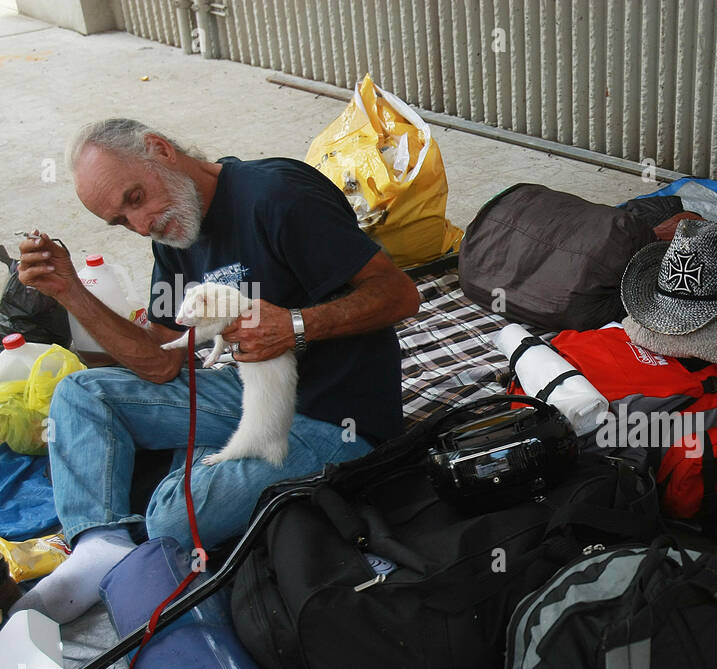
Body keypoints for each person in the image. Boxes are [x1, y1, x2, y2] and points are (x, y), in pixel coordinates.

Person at [13, 118, 421, 623]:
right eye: (121, 221)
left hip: (333, 415)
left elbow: (401, 295)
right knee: (80, 393)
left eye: (135, 198)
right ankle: (100, 547)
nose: (140, 225)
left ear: (160, 150)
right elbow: (160, 360)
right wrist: (68, 290)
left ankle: (153, 520)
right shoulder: (174, 234)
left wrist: (295, 325)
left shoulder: (276, 196)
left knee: (173, 515)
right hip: (248, 392)